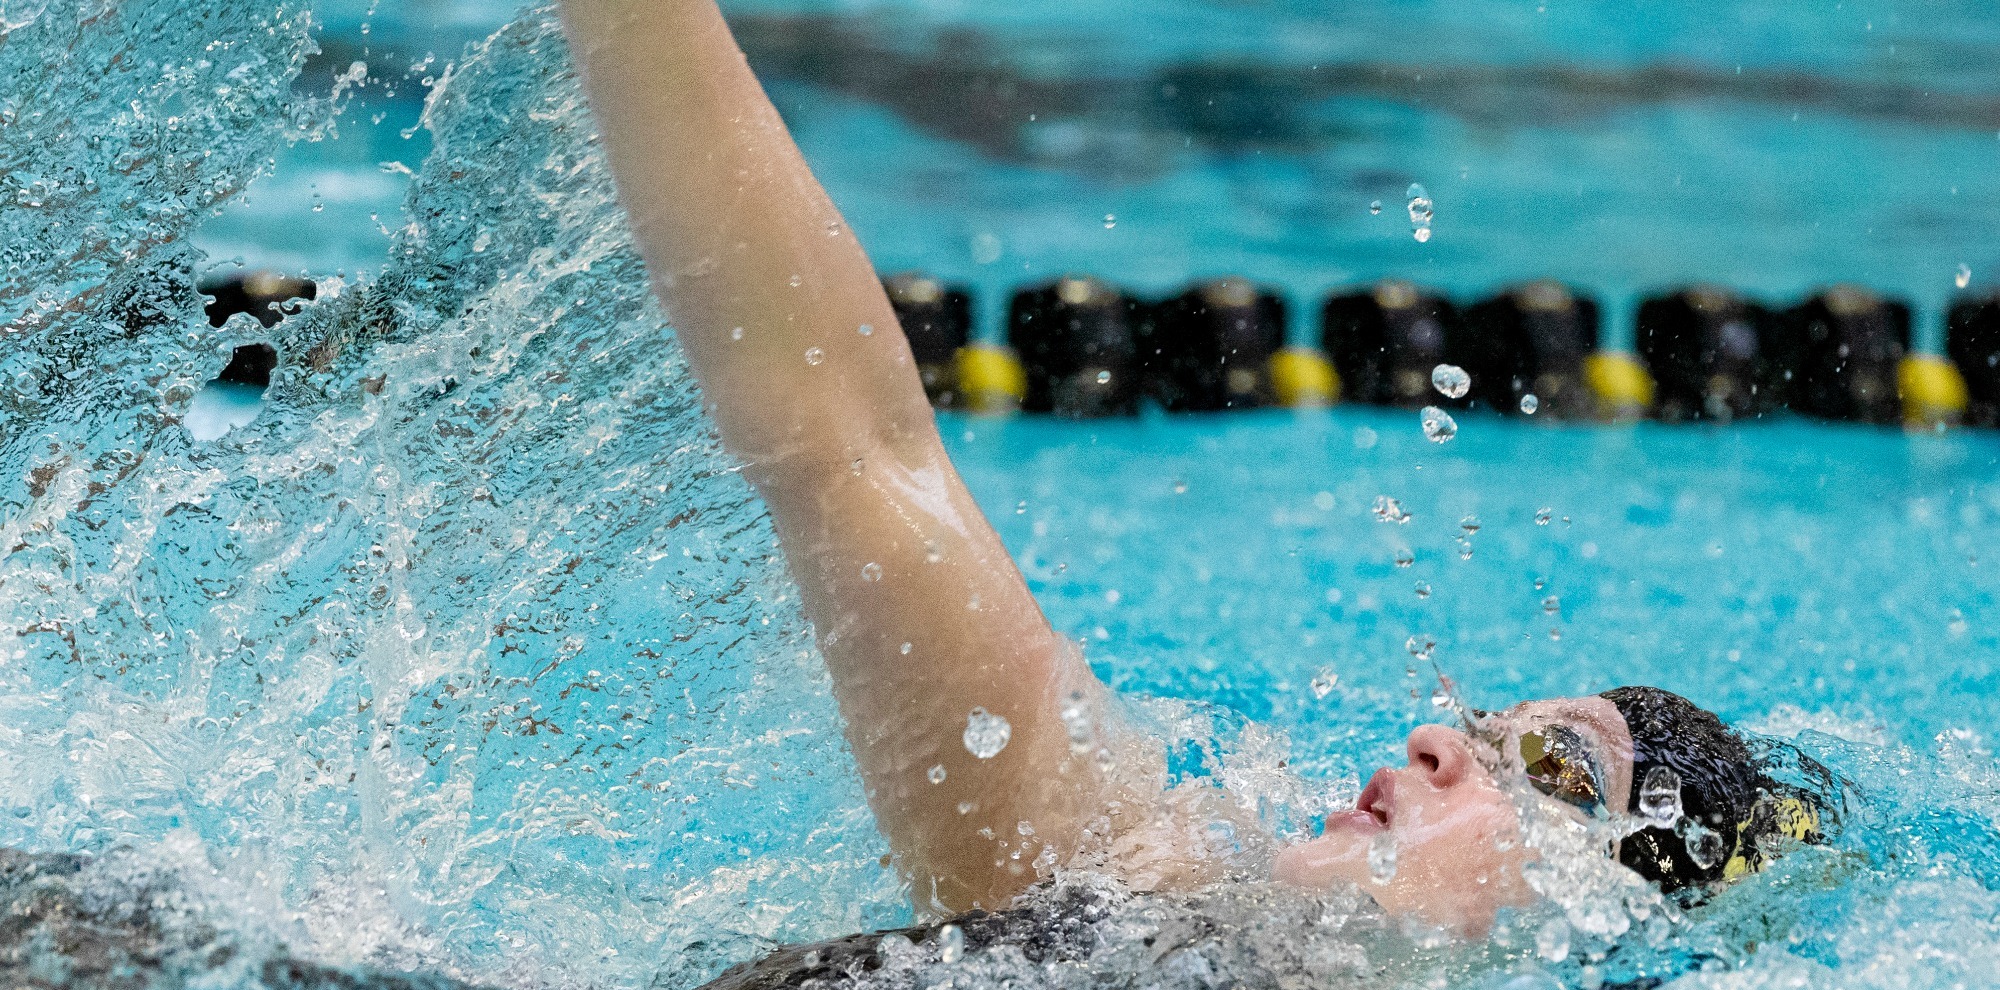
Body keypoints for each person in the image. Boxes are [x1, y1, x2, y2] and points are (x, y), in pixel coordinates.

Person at [555, 0, 1827, 942]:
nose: (1440, 737)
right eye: (1488, 733)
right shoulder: (1111, 881)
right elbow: (848, 452)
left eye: (1550, 777)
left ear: (1597, 934)